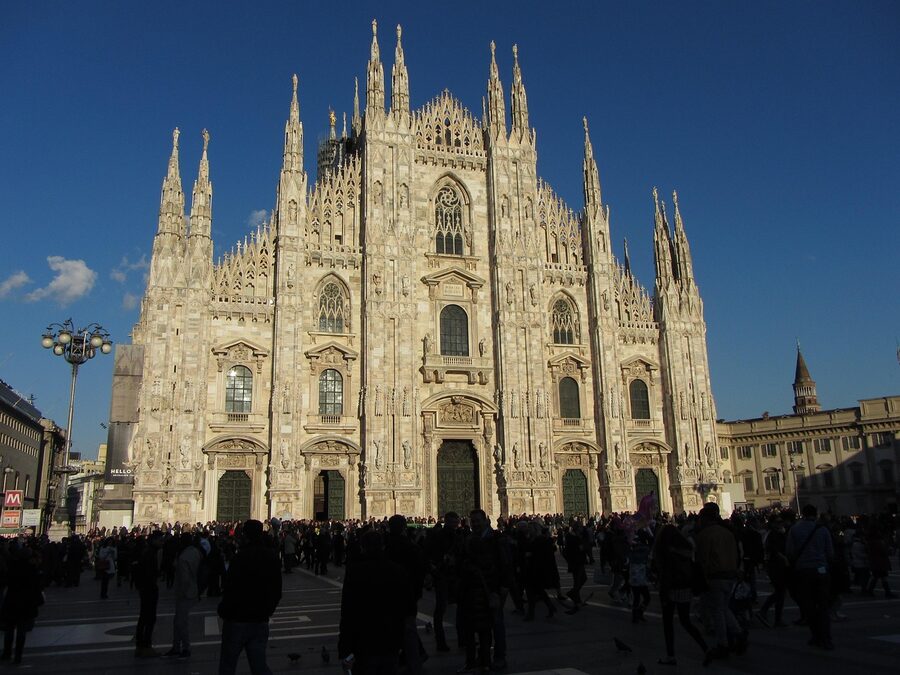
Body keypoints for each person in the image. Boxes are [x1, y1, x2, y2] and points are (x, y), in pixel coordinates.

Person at [338, 529, 409, 675]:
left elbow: (347, 611)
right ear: (383, 546)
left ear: (362, 547)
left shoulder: (354, 572)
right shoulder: (397, 570)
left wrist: (344, 647)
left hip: (363, 640)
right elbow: (406, 608)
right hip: (390, 639)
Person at [217, 519, 283, 675]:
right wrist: (267, 611)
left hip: (237, 619)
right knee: (259, 665)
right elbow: (276, 590)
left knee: (227, 665)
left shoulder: (239, 558)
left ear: (245, 536)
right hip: (260, 619)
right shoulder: (272, 557)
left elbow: (229, 588)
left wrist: (225, 610)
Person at [694, 503, 746, 663]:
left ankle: (723, 643)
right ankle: (738, 633)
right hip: (730, 575)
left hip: (715, 576)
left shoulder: (705, 534)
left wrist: (700, 578)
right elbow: (736, 554)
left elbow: (702, 558)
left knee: (717, 611)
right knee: (723, 607)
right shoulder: (728, 532)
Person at [651, 523, 708, 666]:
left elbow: (663, 572)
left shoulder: (664, 549)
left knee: (668, 623)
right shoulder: (686, 548)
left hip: (670, 588)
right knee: (685, 621)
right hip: (685, 588)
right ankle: (706, 648)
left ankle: (671, 656)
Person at [786, 504, 834, 650]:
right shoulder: (823, 530)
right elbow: (830, 553)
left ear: (803, 514)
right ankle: (826, 637)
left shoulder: (794, 529)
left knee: (809, 605)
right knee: (823, 606)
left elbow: (789, 552)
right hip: (821, 570)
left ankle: (815, 635)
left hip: (803, 571)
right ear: (816, 514)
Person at [0, 546, 43, 665]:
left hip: (12, 602)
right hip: (26, 604)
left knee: (9, 630)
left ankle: (6, 652)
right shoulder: (32, 569)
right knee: (21, 632)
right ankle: (18, 656)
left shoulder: (12, 567)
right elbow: (37, 587)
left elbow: (6, 581)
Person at [164, 533, 202, 659]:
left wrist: (180, 592)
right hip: (193, 589)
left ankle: (185, 648)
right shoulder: (195, 552)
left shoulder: (183, 557)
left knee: (180, 622)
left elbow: (184, 578)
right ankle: (176, 647)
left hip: (185, 593)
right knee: (178, 621)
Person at [134, 532, 164, 658]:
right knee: (149, 618)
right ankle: (146, 646)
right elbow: (148, 572)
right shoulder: (150, 553)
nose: (162, 542)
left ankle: (140, 646)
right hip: (149, 588)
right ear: (154, 540)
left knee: (143, 617)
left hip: (145, 588)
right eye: (160, 540)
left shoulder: (147, 551)